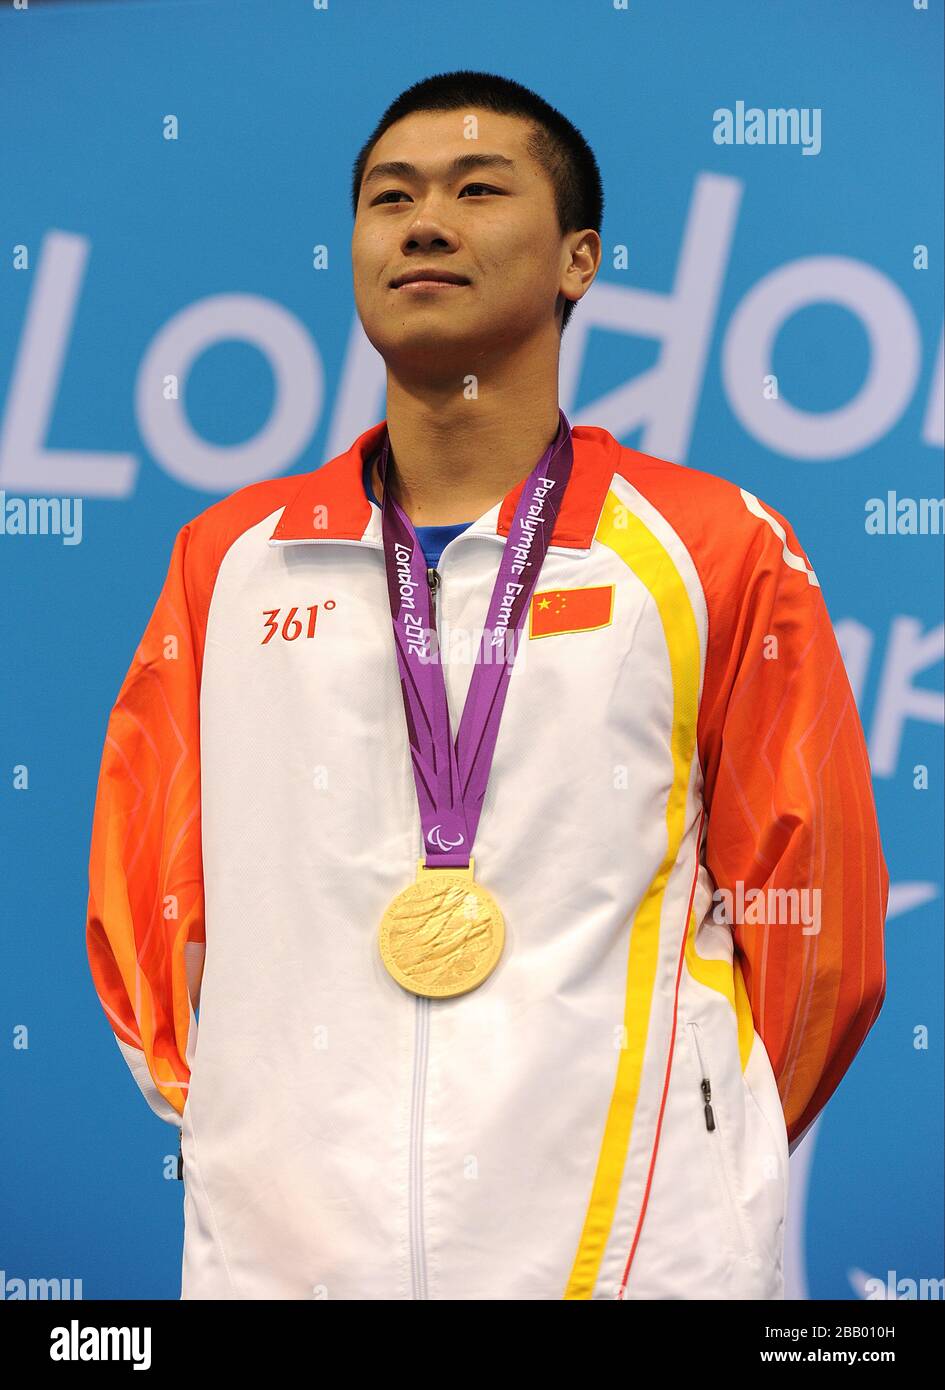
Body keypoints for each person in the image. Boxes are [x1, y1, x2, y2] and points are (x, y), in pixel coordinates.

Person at [85, 69, 888, 1301]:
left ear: (579, 260)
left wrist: (695, 1150)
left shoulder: (713, 546)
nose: (423, 223)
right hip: (287, 1263)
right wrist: (264, 1130)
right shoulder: (231, 560)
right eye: (389, 197)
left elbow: (812, 923)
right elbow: (149, 902)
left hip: (638, 1259)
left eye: (476, 190)